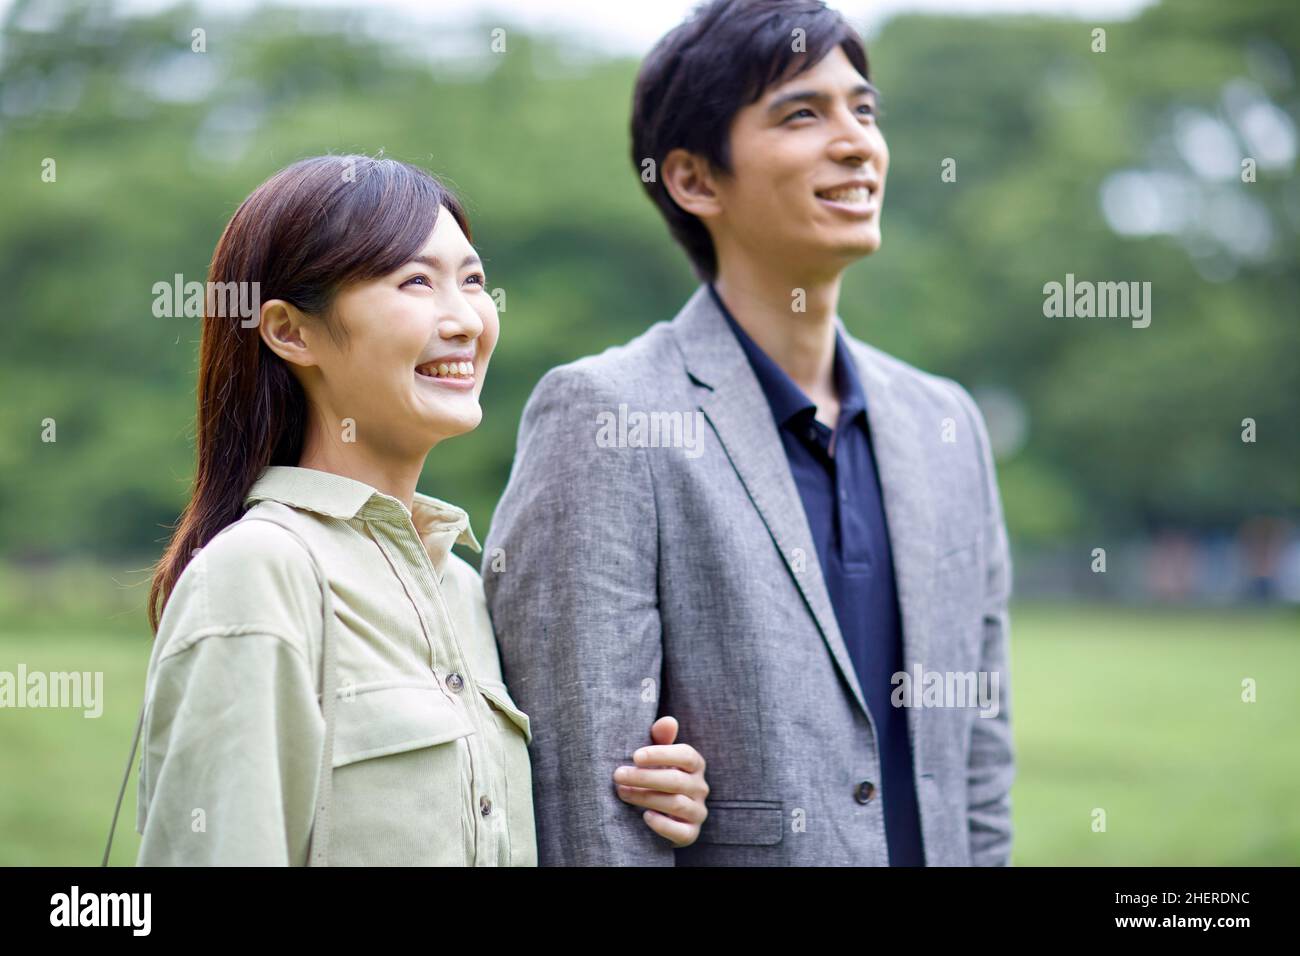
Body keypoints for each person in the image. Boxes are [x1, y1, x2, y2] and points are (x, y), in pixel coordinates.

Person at [483, 0, 1014, 865]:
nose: (856, 141)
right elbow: (585, 803)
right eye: (803, 113)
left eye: (864, 109)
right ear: (694, 180)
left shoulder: (947, 422)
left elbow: (980, 767)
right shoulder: (605, 414)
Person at [133, 155, 710, 865]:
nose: (466, 318)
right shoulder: (259, 573)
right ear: (290, 332)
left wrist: (643, 793)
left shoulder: (461, 589)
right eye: (415, 282)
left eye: (472, 280)